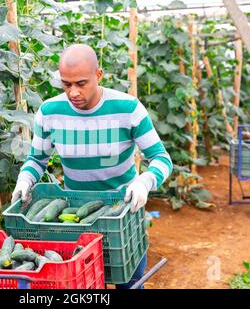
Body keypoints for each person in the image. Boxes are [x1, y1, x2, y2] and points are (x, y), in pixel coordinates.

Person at [11, 44, 173, 289]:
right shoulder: (50, 112)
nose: (73, 92)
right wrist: (25, 179)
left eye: (81, 83)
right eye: (66, 84)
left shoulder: (128, 108)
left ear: (98, 75)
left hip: (123, 215)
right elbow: (37, 159)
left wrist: (144, 182)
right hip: (76, 218)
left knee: (128, 282)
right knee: (82, 285)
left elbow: (161, 158)